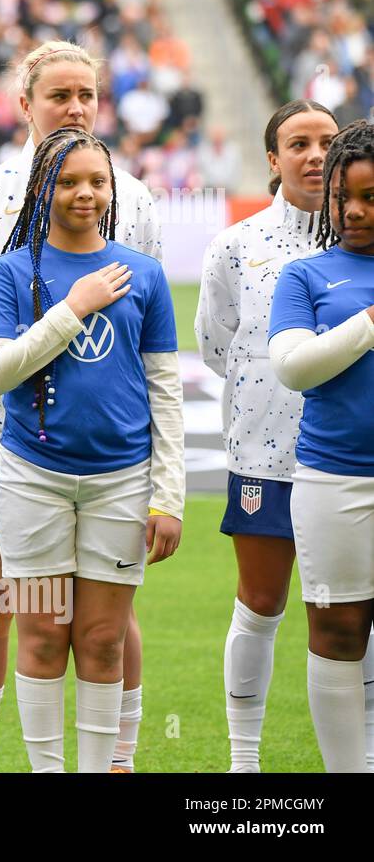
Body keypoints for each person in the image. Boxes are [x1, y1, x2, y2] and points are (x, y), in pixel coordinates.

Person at [0, 40, 161, 772]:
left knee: (107, 613)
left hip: (105, 443)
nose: (74, 107)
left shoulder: (134, 196)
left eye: (86, 95)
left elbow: (144, 315)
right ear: (23, 104)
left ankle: (115, 758)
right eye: (58, 95)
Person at [0, 127, 184, 772]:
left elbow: (165, 390)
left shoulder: (144, 274)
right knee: (41, 636)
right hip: (31, 479)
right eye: (68, 182)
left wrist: (168, 494)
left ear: (112, 187)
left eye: (97, 181)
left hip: (121, 483)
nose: (84, 194)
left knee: (100, 640)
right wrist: (72, 308)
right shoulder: (12, 272)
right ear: (43, 188)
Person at [195, 100, 360, 772]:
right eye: (299, 143)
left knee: (353, 613)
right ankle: (244, 760)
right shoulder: (239, 245)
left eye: (328, 142)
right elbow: (215, 343)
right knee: (261, 604)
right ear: (273, 159)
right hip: (266, 452)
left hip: (351, 461)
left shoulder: (361, 236)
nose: (316, 154)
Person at [269, 119, 374, 773]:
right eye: (345, 198)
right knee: (337, 632)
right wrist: (367, 322)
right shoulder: (305, 276)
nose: (356, 211)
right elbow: (295, 367)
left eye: (371, 196)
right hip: (332, 480)